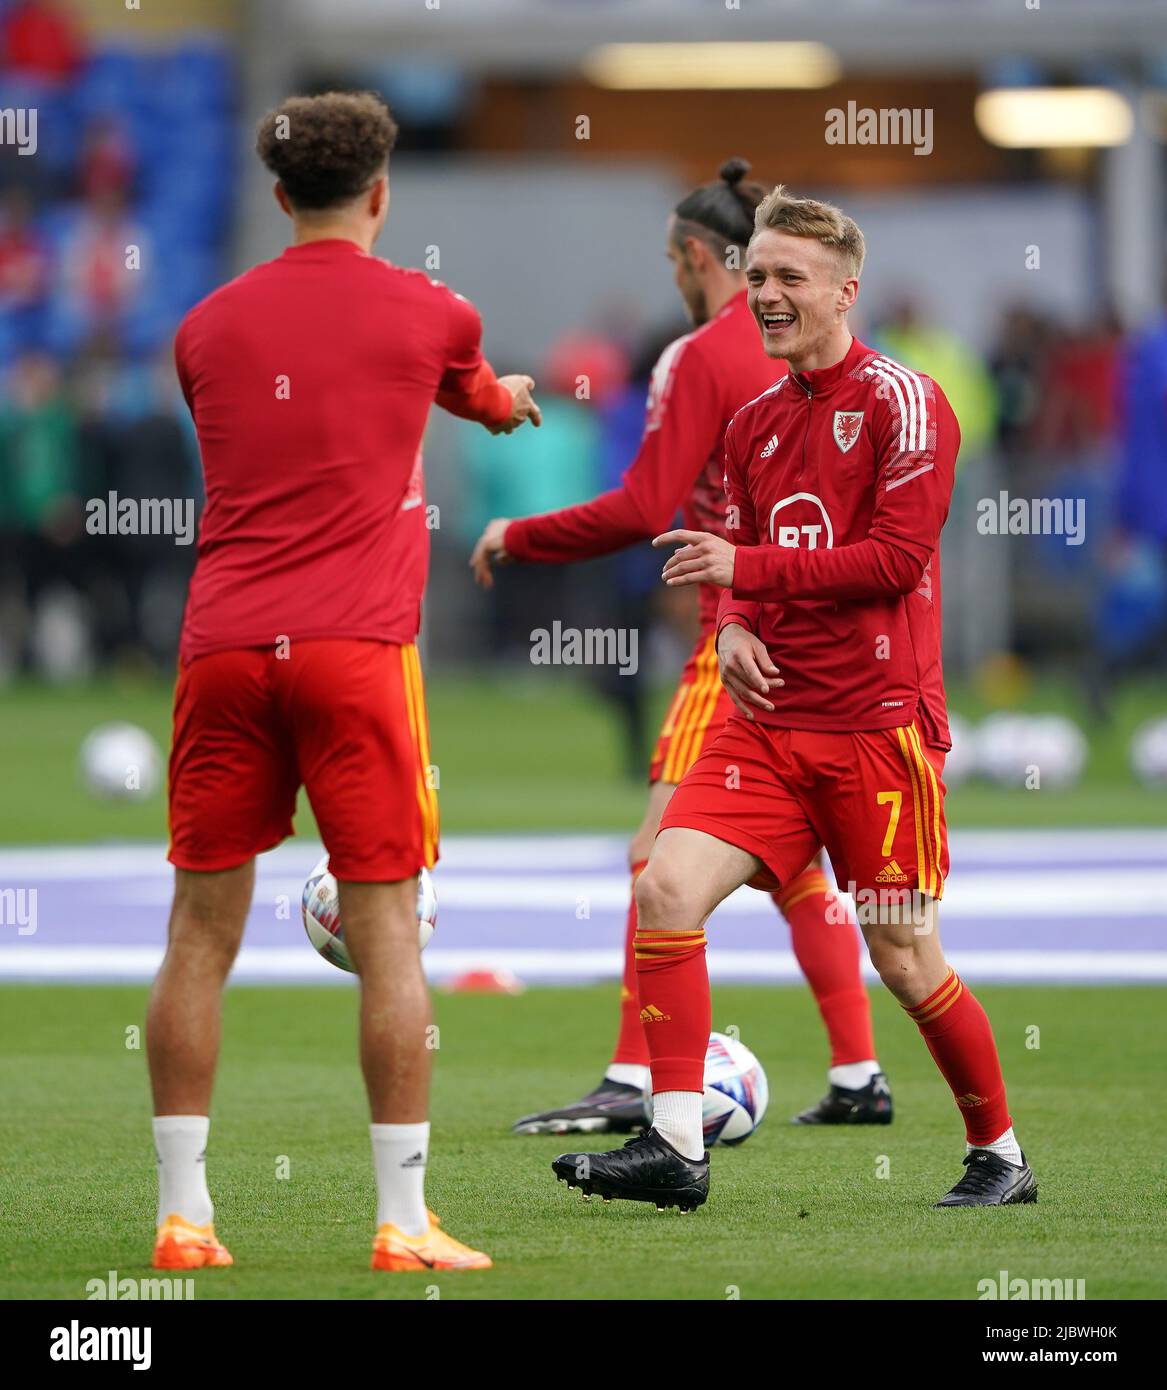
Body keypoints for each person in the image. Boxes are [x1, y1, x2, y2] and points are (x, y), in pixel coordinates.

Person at [552, 185, 1036, 1211]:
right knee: (664, 887)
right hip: (766, 728)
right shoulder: (756, 422)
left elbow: (896, 562)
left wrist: (747, 573)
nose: (766, 295)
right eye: (758, 275)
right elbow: (734, 564)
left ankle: (999, 1152)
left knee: (904, 958)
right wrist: (729, 622)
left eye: (789, 279)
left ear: (844, 291)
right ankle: (676, 1149)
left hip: (876, 735)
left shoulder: (905, 401)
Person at [149, 91, 540, 1274]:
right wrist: (514, 397)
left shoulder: (206, 327)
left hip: (223, 646)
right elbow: (482, 397)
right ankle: (403, 1220)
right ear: (382, 193)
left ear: (278, 196)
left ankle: (183, 1218)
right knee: (388, 933)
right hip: (357, 650)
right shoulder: (435, 312)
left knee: (198, 935)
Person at [472, 161, 892, 1137]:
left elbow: (642, 506)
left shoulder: (700, 357)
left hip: (733, 640)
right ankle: (860, 1070)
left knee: (657, 857)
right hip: (824, 640)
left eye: (674, 258)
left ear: (699, 256)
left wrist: (518, 534)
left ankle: (632, 1075)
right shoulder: (834, 354)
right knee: (791, 866)